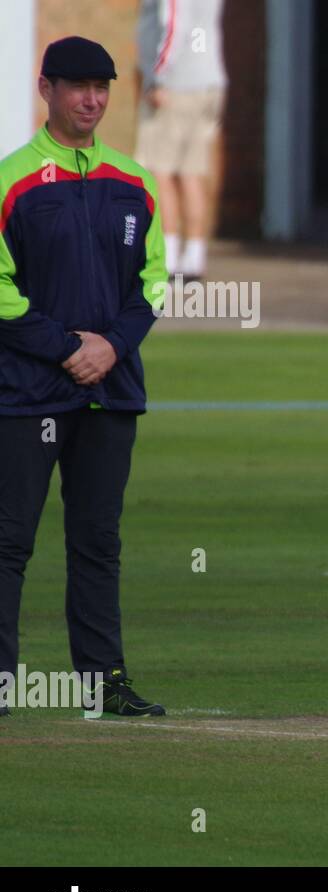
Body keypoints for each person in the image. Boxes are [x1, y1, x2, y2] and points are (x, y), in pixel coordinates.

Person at [0, 36, 168, 717]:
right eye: (77, 86)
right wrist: (67, 347)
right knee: (10, 542)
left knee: (98, 542)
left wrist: (112, 346)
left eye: (101, 86)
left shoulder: (134, 181)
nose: (91, 99)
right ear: (47, 91)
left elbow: (153, 282)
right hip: (27, 392)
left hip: (111, 390)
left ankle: (104, 684)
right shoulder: (12, 180)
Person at [135, 0, 227, 279]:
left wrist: (158, 78)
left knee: (158, 170)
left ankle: (170, 255)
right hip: (209, 81)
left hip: (178, 85)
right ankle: (194, 255)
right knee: (191, 172)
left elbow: (175, 25)